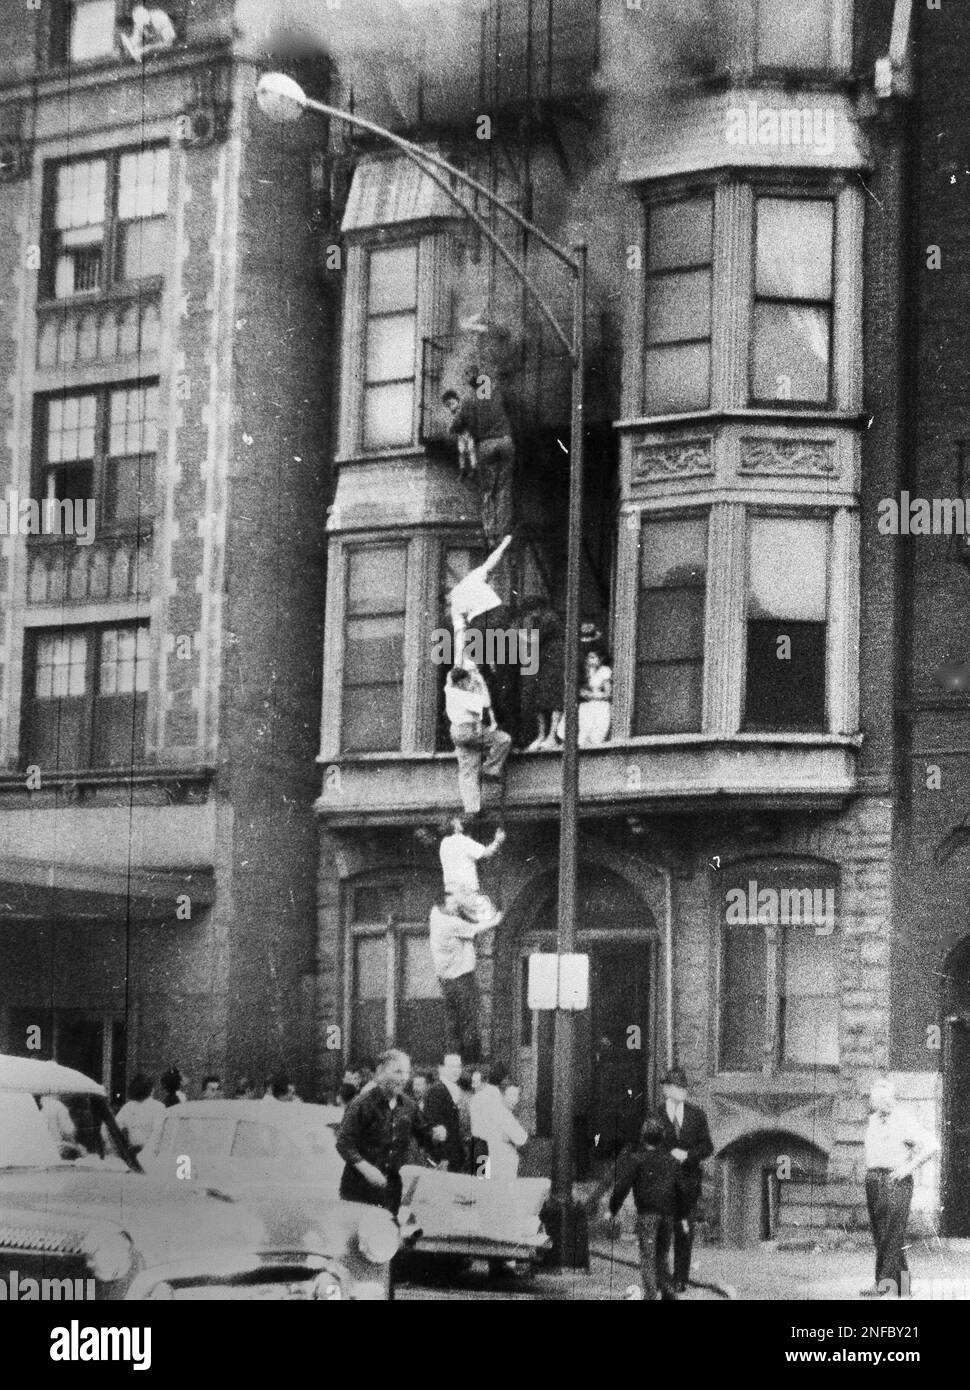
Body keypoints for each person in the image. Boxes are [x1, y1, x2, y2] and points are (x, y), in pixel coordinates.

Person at [335, 1049, 445, 1214]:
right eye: (398, 1072)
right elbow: (343, 1142)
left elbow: (425, 1134)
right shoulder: (361, 1104)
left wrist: (436, 1134)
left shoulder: (409, 1106)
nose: (404, 1078)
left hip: (391, 1193)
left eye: (407, 1073)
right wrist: (367, 1170)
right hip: (358, 1190)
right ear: (381, 1073)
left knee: (387, 1236)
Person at [860, 1077, 939, 1297]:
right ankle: (903, 1287)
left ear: (891, 1100)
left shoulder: (904, 1120)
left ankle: (883, 1283)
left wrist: (909, 1167)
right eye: (875, 1099)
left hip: (895, 1181)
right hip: (874, 1180)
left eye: (883, 1099)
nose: (879, 1104)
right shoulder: (874, 1120)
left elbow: (932, 1145)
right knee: (881, 1233)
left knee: (891, 1233)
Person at [609, 1118, 684, 1301]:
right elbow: (681, 1188)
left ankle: (651, 1295)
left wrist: (613, 1209)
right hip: (668, 1215)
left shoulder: (637, 1160)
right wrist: (680, 1213)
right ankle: (668, 1291)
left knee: (647, 1256)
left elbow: (622, 1186)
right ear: (662, 1138)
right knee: (663, 1254)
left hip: (647, 1214)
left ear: (643, 1137)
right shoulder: (672, 1161)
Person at [654, 1066, 713, 1291]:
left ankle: (680, 1278)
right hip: (663, 1184)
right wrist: (669, 1155)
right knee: (662, 1231)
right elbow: (648, 1145)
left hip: (688, 1185)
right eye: (677, 1087)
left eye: (683, 1087)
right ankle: (662, 1277)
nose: (682, 1091)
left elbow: (707, 1147)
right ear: (666, 1089)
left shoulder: (697, 1115)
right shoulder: (657, 1115)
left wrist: (688, 1155)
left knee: (684, 1230)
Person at [444, 371, 515, 549]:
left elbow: (455, 427)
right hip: (506, 442)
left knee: (488, 491)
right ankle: (504, 530)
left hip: (486, 446)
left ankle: (492, 536)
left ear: (472, 384)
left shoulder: (469, 400)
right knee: (504, 489)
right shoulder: (497, 391)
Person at [429, 898, 495, 1061]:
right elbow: (478, 927)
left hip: (446, 979)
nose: (456, 909)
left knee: (454, 1023)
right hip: (461, 977)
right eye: (454, 905)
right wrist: (497, 918)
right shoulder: (450, 923)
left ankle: (455, 1059)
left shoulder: (436, 916)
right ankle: (471, 1061)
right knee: (469, 1020)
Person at [445, 662, 512, 816]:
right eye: (469, 676)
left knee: (468, 769)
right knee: (503, 739)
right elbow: (486, 703)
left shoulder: (449, 690)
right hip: (469, 730)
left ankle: (472, 809)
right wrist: (480, 681)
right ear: (462, 681)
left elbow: (451, 677)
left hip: (457, 731)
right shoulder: (465, 695)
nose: (472, 678)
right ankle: (490, 769)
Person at [439, 816, 505, 925]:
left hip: (451, 893)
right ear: (455, 827)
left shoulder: (444, 843)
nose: (460, 822)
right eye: (458, 822)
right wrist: (497, 841)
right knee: (487, 918)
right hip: (466, 890)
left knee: (463, 923)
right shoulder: (462, 841)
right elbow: (486, 853)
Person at [469, 1062, 528, 1180]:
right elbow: (521, 1138)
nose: (515, 1100)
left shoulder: (476, 1098)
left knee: (481, 1184)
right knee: (498, 1188)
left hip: (479, 1149)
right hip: (500, 1157)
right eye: (511, 1095)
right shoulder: (500, 1105)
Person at [524, 606, 564, 751]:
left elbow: (533, 638)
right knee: (538, 701)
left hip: (552, 666)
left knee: (553, 700)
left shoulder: (548, 619)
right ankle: (542, 735)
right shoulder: (539, 620)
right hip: (541, 664)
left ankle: (551, 736)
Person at [423, 1053, 466, 1171]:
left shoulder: (456, 1090)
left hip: (456, 1155)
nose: (456, 1071)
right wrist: (442, 1157)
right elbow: (433, 1126)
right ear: (441, 1068)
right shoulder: (436, 1091)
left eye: (458, 1067)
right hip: (444, 1158)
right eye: (452, 1067)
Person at [115, 1075, 165, 1157]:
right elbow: (158, 1132)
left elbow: (115, 1127)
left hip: (132, 1153)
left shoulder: (128, 1106)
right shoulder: (159, 1107)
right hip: (151, 1153)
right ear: (151, 1090)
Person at [442, 390, 478, 477]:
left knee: (470, 450)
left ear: (457, 401)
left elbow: (468, 420)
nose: (451, 407)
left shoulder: (463, 410)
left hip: (468, 433)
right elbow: (452, 425)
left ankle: (473, 470)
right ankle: (463, 470)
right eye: (448, 405)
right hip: (461, 434)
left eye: (452, 403)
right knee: (461, 452)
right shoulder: (453, 413)